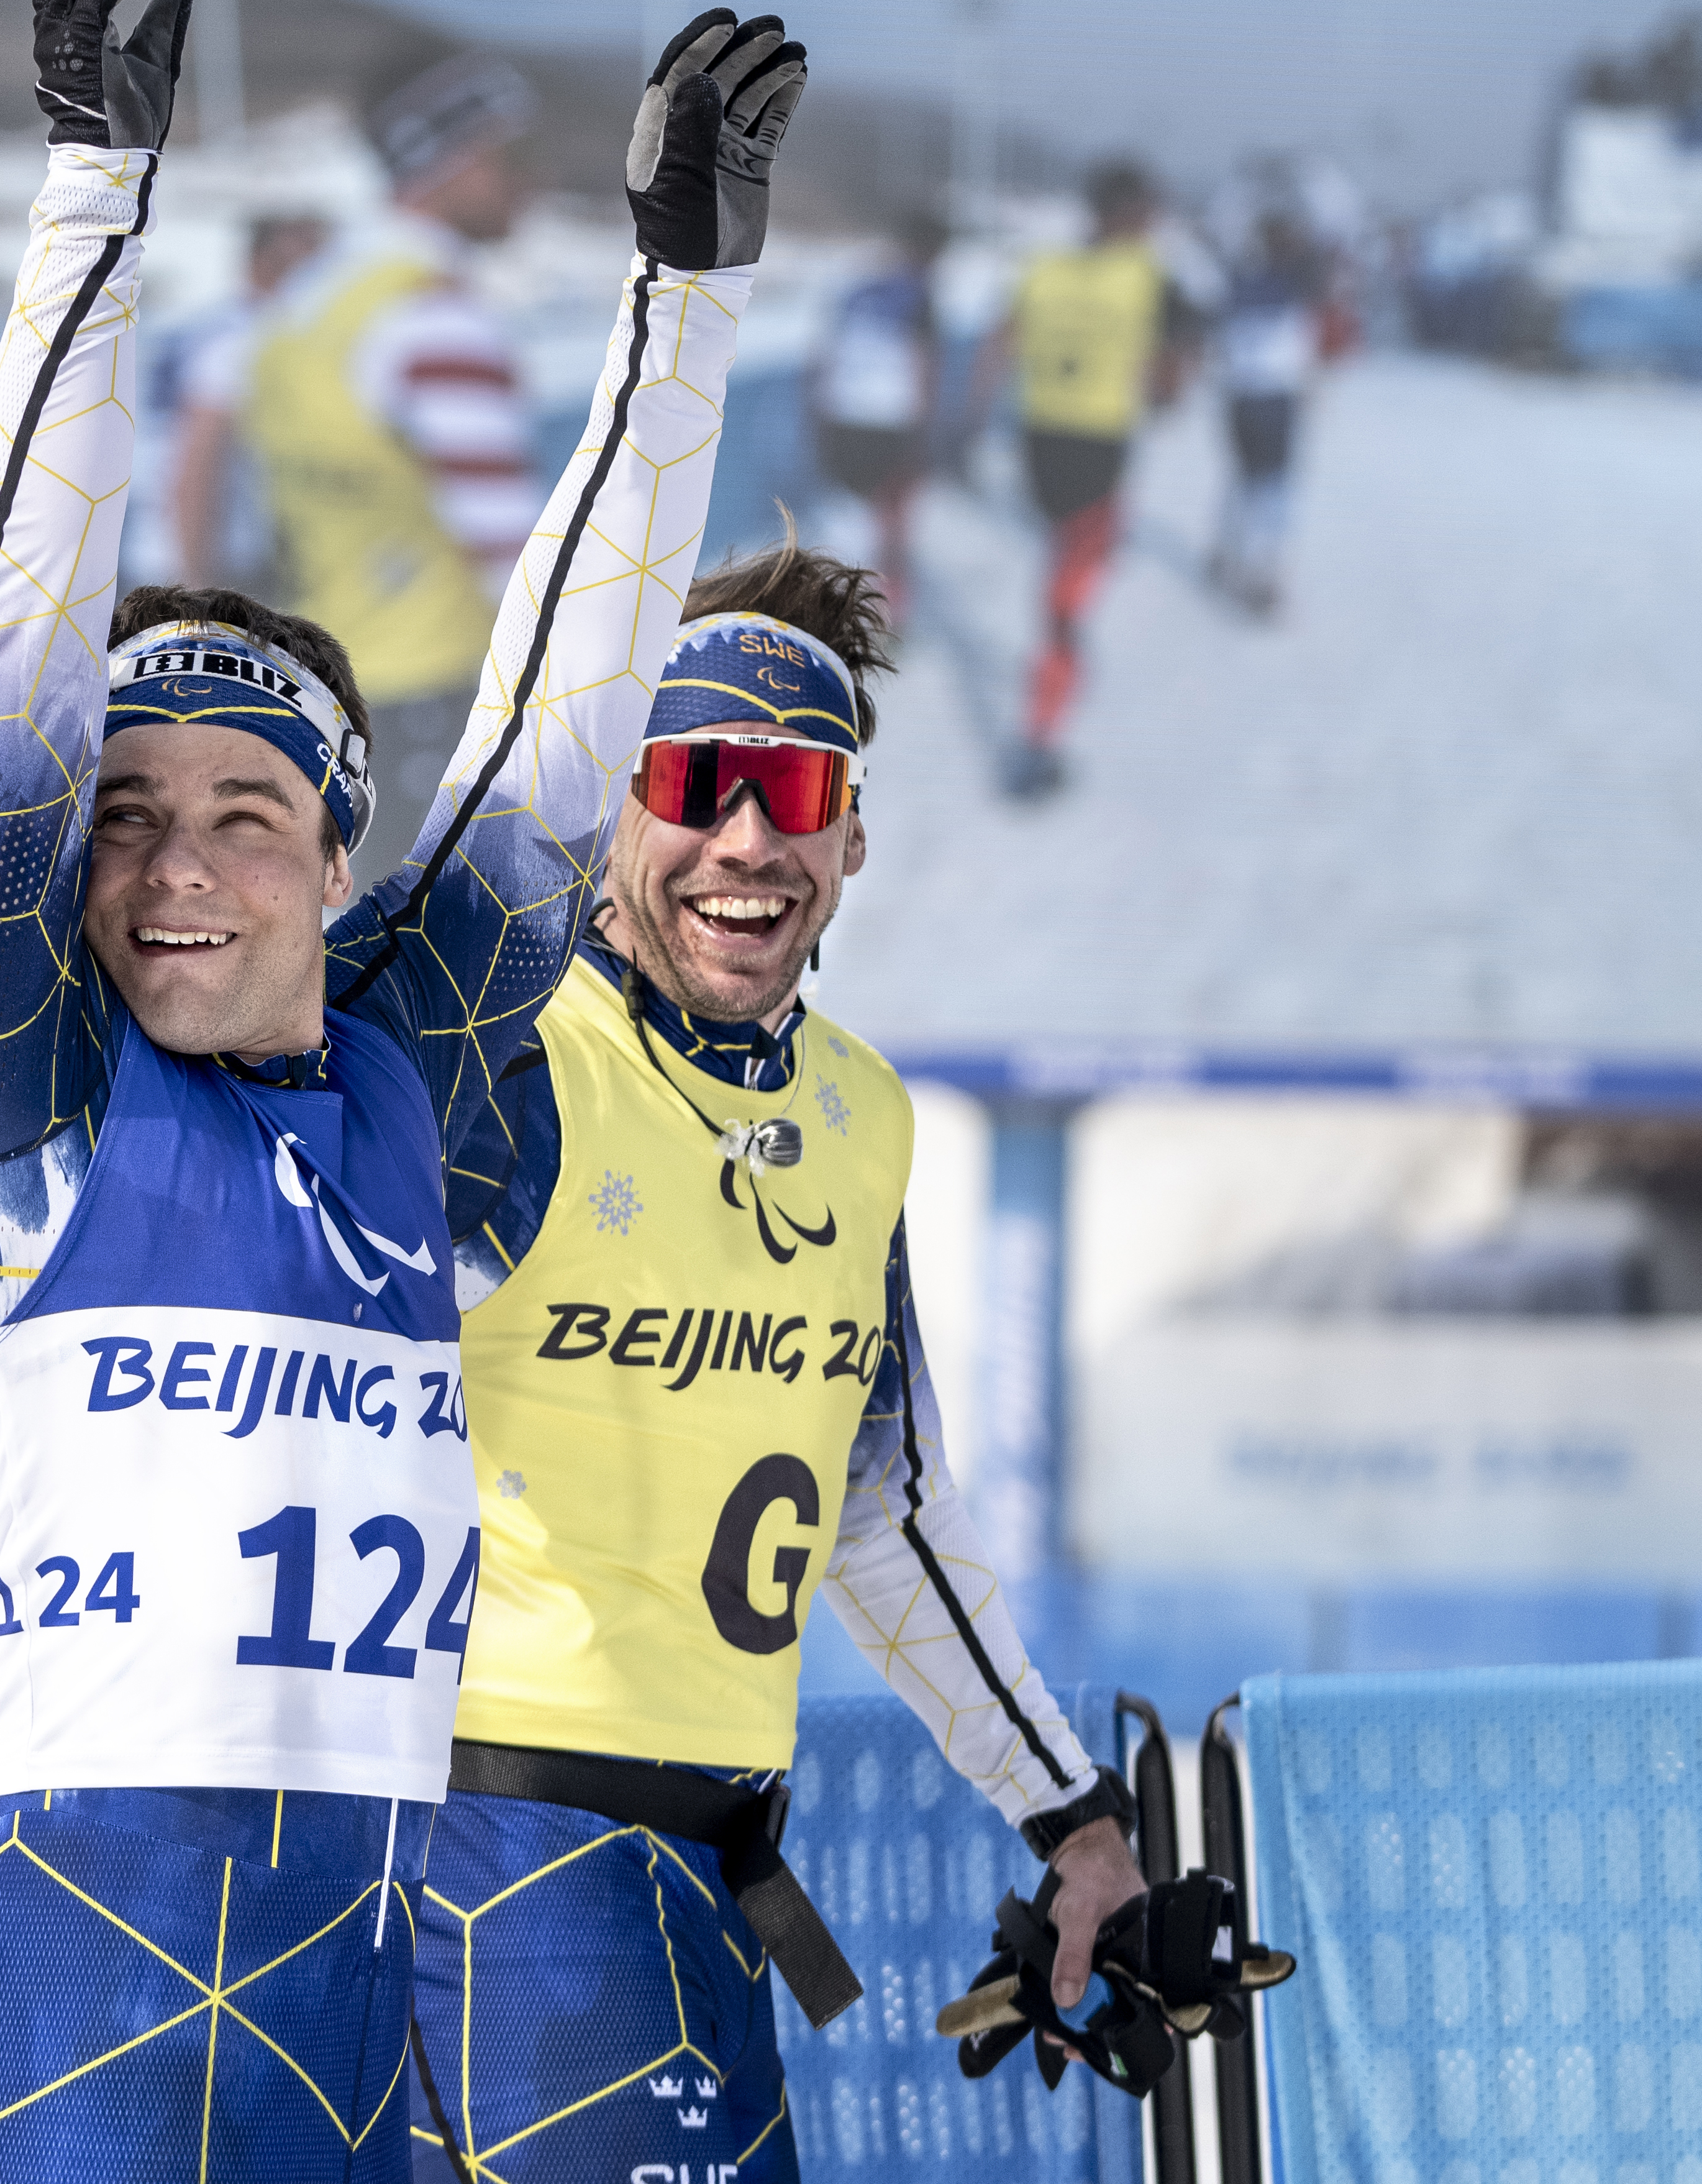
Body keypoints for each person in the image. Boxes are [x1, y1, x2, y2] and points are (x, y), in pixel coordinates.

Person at [0, 0, 803, 2173]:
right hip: (55, 2041)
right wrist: (93, 188)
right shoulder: (11, 1102)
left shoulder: (410, 1086)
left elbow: (558, 722)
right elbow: (6, 666)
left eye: (241, 818)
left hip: (358, 2043)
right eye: (123, 818)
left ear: (333, 852)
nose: (172, 866)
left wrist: (682, 297)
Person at [399, 539, 1151, 2175]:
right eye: (695, 780)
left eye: (794, 791)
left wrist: (1073, 1817)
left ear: (852, 834)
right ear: (618, 803)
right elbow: (243, 1049)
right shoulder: (503, 1056)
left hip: (712, 1886)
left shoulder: (857, 1114)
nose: (746, 841)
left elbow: (881, 1515)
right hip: (494, 1858)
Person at [238, 46, 546, 887]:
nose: (534, 181)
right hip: (436, 695)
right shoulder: (435, 316)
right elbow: (520, 560)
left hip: (327, 690)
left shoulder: (306, 305)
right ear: (448, 157)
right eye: (512, 154)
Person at [978, 157, 1195, 798]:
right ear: (1129, 213)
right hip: (1099, 450)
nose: (1155, 223)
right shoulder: (1150, 275)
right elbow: (1174, 366)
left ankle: (1062, 660)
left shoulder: (1043, 267)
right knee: (1065, 600)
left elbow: (997, 345)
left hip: (1038, 446)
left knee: (1066, 567)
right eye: (1149, 211)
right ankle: (1040, 737)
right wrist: (1165, 389)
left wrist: (970, 423)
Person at [157, 208, 326, 594]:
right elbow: (198, 461)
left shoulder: (209, 323)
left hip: (158, 547)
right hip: (219, 562)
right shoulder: (250, 340)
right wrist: (197, 585)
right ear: (264, 262)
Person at [806, 209, 949, 632]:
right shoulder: (921, 297)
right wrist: (927, 434)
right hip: (891, 426)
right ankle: (886, 620)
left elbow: (823, 360)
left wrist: (819, 423)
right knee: (891, 531)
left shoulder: (857, 289)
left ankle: (831, 615)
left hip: (841, 420)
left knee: (845, 523)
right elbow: (925, 369)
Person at [1207, 205, 1333, 618]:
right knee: (1272, 484)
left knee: (1246, 478)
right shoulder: (1293, 283)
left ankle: (1230, 553)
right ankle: (1262, 572)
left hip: (1242, 395)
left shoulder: (1239, 280)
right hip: (1271, 397)